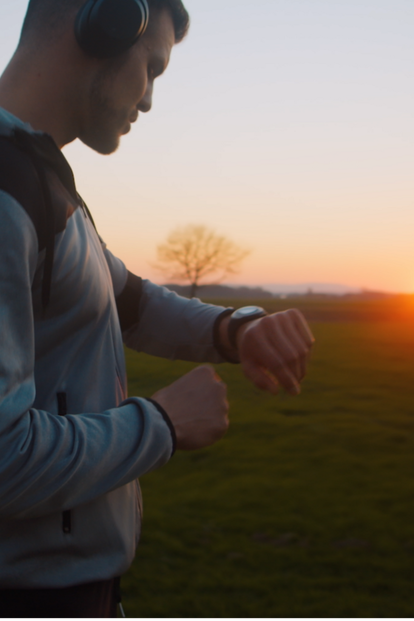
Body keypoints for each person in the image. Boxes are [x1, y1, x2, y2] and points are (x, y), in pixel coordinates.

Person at [0, 0, 314, 618]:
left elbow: (129, 300)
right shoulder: (7, 193)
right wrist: (164, 424)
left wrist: (234, 329)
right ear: (107, 24)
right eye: (152, 68)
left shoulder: (39, 178)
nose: (147, 99)